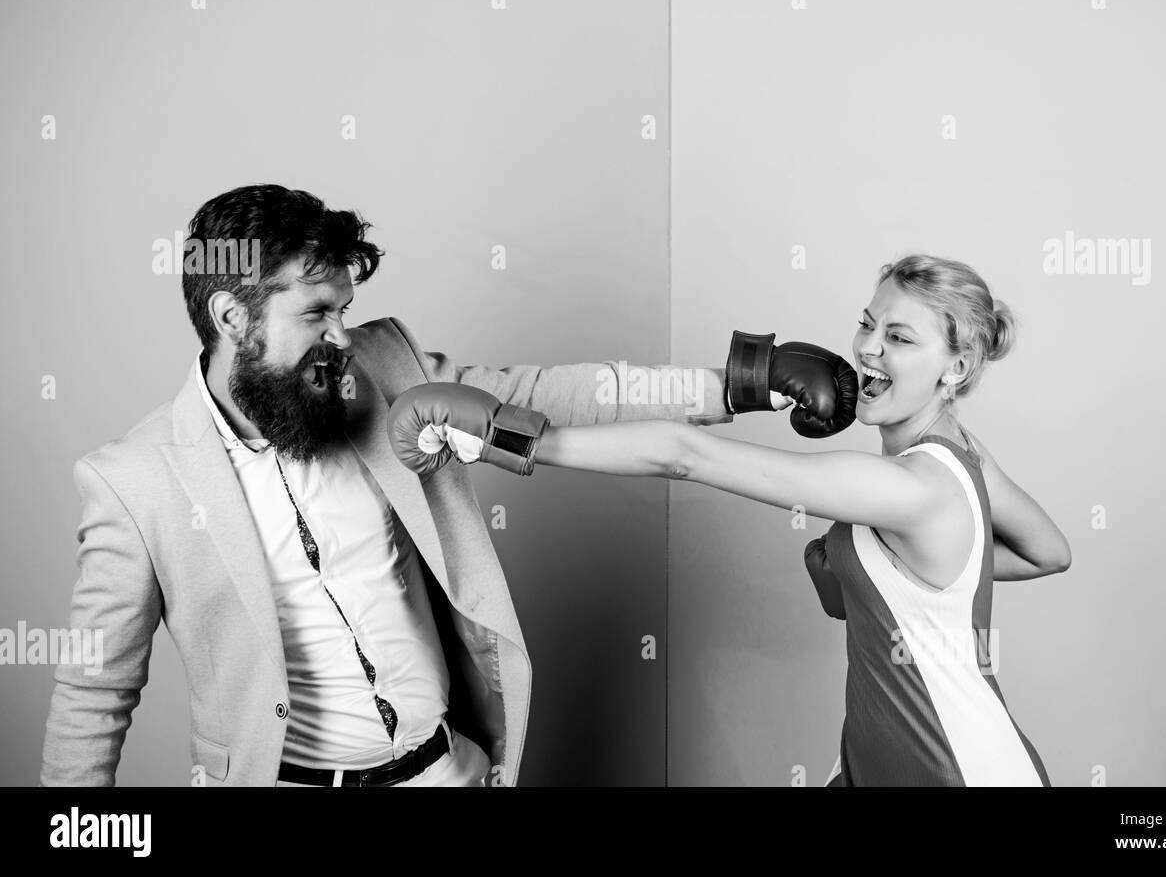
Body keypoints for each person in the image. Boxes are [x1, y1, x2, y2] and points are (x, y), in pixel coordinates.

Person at [39, 183, 860, 787]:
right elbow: (94, 692)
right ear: (230, 318)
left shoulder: (382, 364)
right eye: (316, 312)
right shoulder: (133, 479)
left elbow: (548, 393)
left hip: (449, 772)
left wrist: (737, 381)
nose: (341, 335)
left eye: (346, 309)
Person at [388, 253, 1072, 786]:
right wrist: (913, 588)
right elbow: (1050, 551)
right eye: (867, 322)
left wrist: (510, 437)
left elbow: (683, 455)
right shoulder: (963, 459)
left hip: (953, 766)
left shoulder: (907, 486)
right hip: (875, 761)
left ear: (957, 366)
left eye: (899, 337)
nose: (868, 349)